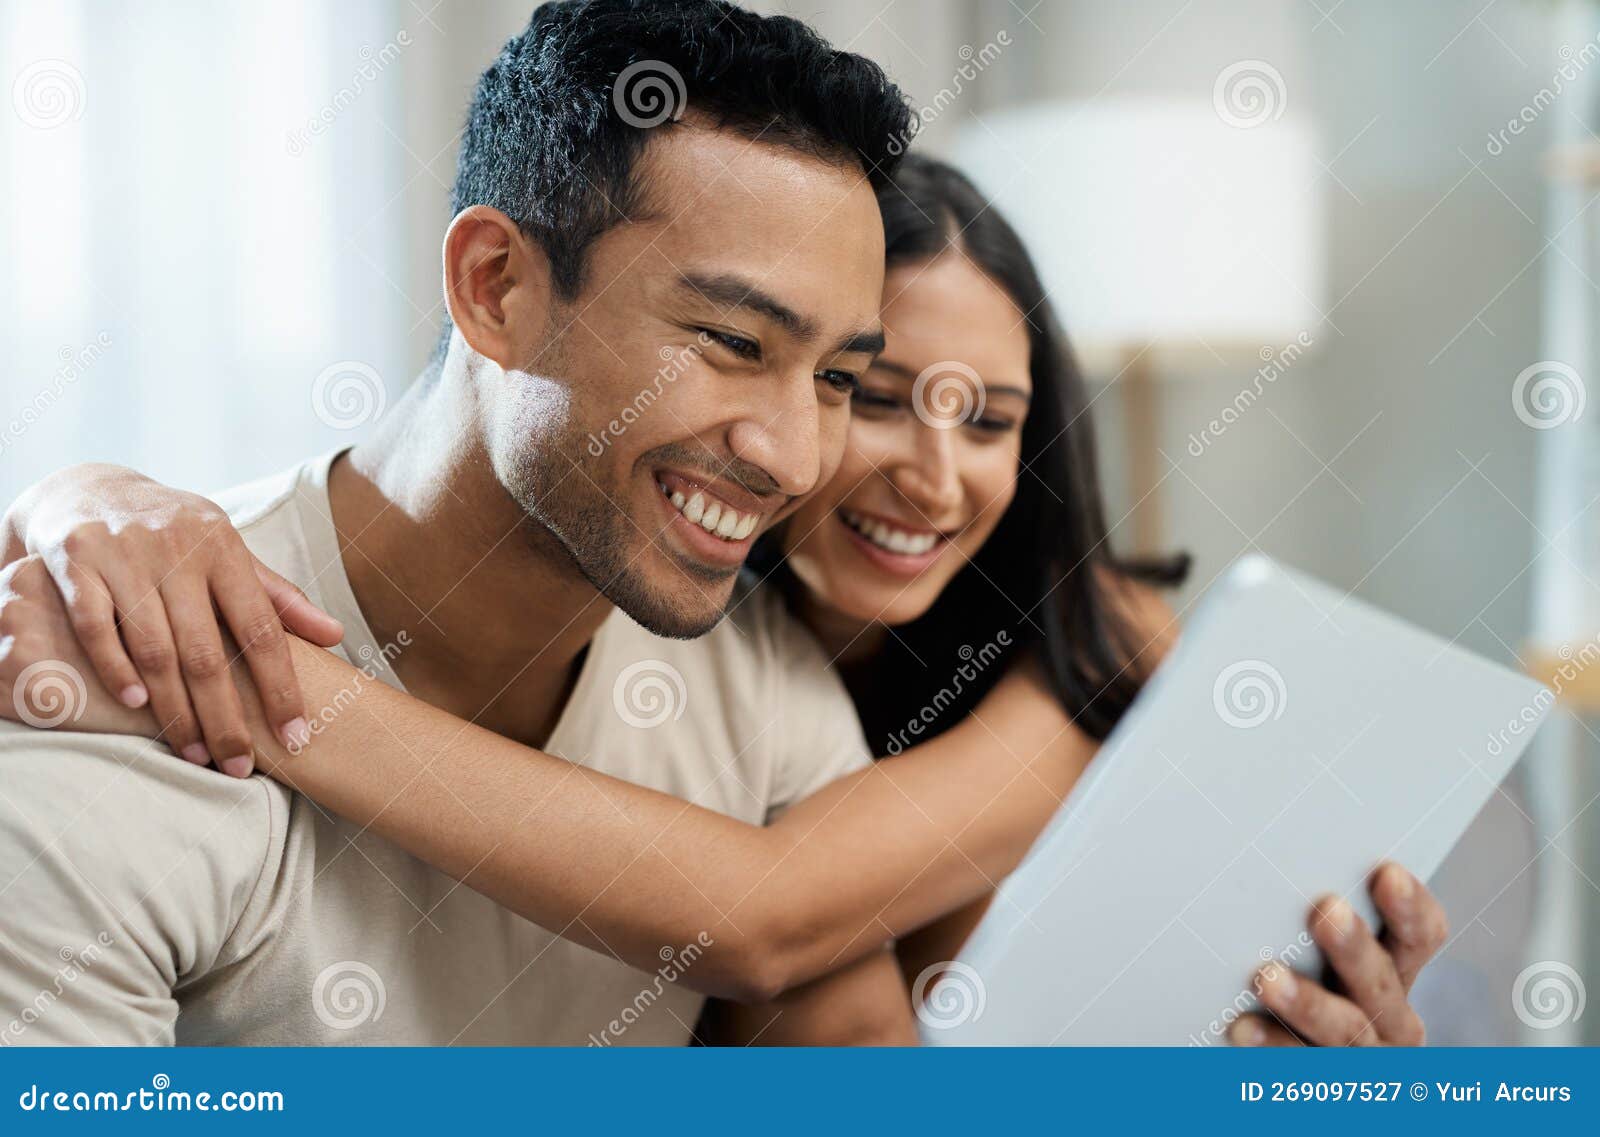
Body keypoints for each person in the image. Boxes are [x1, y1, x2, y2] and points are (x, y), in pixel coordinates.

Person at [0, 151, 1446, 1047]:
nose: (930, 478)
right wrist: (87, 495)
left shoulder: (1082, 660)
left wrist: (255, 664)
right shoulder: (684, 588)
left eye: (991, 419)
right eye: (869, 393)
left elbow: (755, 915)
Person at [0, 0, 930, 1046]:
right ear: (494, 289)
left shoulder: (757, 692)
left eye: (841, 377)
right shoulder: (106, 709)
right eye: (730, 341)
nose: (795, 458)